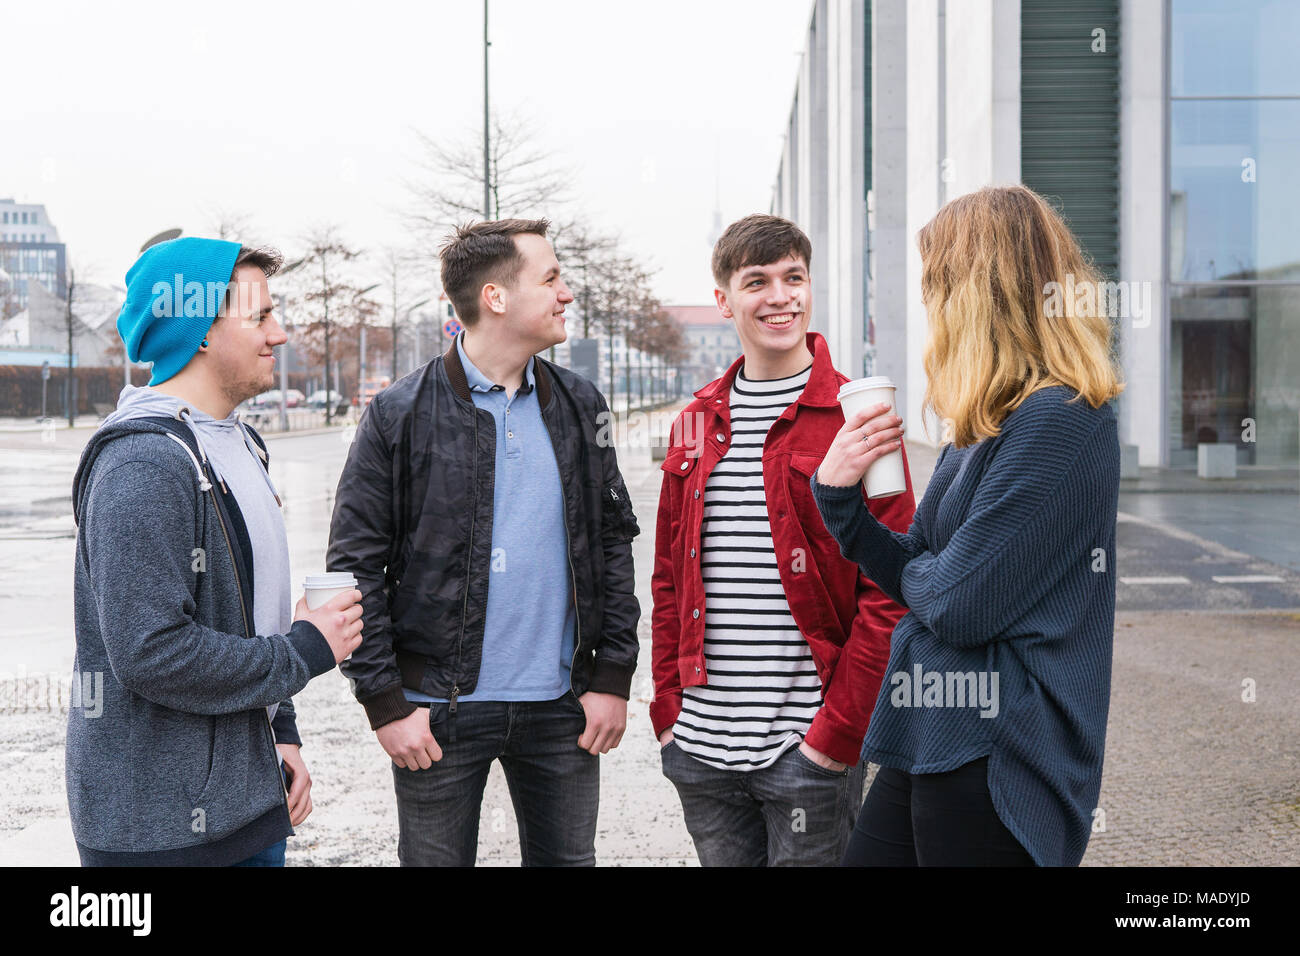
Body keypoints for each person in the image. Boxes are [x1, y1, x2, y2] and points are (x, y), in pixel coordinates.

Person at [811, 184, 1124, 866]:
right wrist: (840, 500)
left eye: (937, 283)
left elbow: (958, 605)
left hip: (1000, 748)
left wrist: (933, 578)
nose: (929, 304)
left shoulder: (1061, 418)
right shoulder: (986, 421)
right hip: (933, 726)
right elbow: (922, 566)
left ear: (978, 292)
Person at [327, 218, 640, 867]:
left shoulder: (582, 405)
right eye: (551, 278)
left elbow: (613, 543)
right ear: (495, 297)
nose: (566, 293)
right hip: (434, 712)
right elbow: (354, 569)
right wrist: (385, 704)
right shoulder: (398, 414)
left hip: (564, 709)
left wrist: (611, 676)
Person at [68, 237, 363, 866]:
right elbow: (151, 653)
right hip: (161, 834)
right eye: (259, 317)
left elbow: (245, 616)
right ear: (199, 330)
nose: (279, 335)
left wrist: (279, 733)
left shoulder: (241, 445)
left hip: (248, 807)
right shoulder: (144, 462)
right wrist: (306, 651)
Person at [650, 214, 916, 865]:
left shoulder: (857, 415)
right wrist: (668, 717)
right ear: (724, 301)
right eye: (758, 281)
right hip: (702, 754)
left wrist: (837, 736)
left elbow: (894, 586)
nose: (780, 296)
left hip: (809, 753)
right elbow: (666, 578)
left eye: (794, 277)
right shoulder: (695, 421)